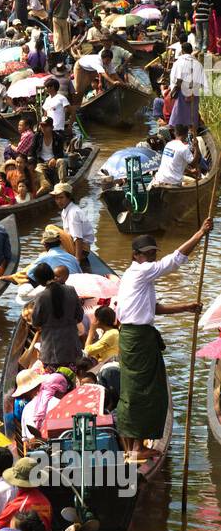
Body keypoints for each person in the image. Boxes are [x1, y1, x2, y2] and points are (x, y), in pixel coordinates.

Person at [116, 224, 211, 459]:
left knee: (138, 389)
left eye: (153, 253)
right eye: (146, 254)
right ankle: (137, 448)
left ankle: (133, 447)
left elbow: (152, 308)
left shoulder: (134, 275)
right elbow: (174, 260)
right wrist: (199, 233)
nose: (151, 257)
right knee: (144, 391)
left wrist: (186, 307)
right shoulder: (141, 271)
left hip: (135, 337)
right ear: (135, 256)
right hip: (137, 339)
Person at [27, 261, 84, 368]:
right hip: (72, 347)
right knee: (70, 377)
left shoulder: (41, 296)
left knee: (53, 381)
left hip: (51, 351)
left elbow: (35, 322)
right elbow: (79, 316)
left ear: (40, 281)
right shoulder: (71, 290)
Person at [52, 183, 94, 265]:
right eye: (56, 198)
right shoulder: (66, 210)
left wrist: (77, 260)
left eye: (61, 198)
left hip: (82, 249)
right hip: (73, 244)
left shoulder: (73, 213)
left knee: (50, 228)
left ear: (69, 197)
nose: (59, 201)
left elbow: (78, 238)